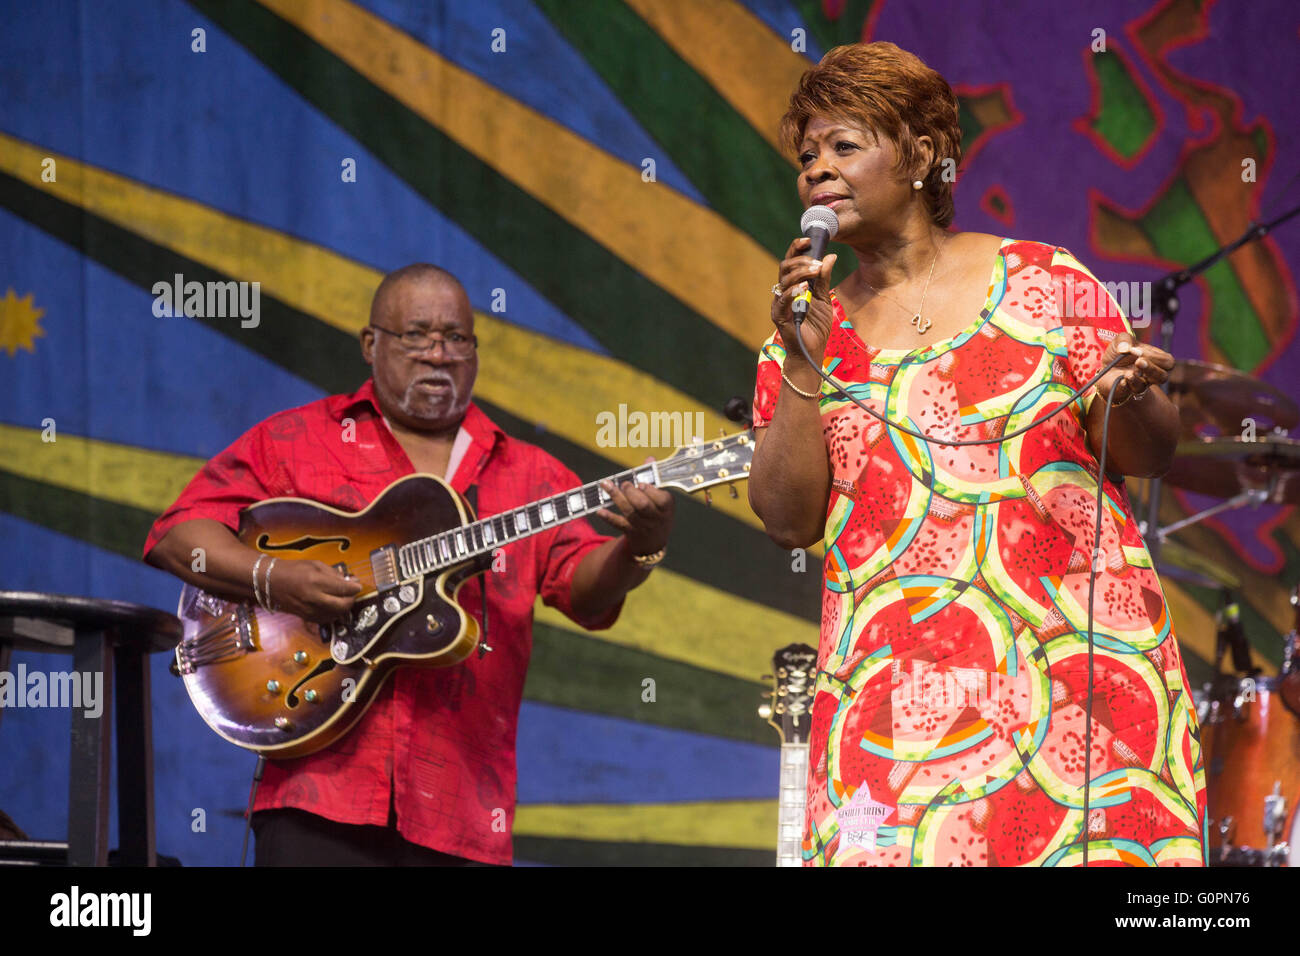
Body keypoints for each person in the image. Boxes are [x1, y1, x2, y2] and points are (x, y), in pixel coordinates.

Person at [748, 42, 1206, 867]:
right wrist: (803, 362)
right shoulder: (805, 332)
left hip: (1076, 684)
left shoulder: (1045, 283)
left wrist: (1131, 394)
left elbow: (1148, 450)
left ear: (922, 156)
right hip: (895, 708)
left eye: (844, 146)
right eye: (807, 156)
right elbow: (786, 519)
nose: (818, 170)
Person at [144, 263, 675, 866]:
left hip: (462, 811)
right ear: (371, 345)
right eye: (416, 335)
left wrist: (640, 548)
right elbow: (176, 536)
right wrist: (279, 579)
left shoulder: (531, 477)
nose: (439, 353)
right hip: (319, 794)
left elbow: (584, 594)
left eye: (457, 338)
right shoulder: (298, 439)